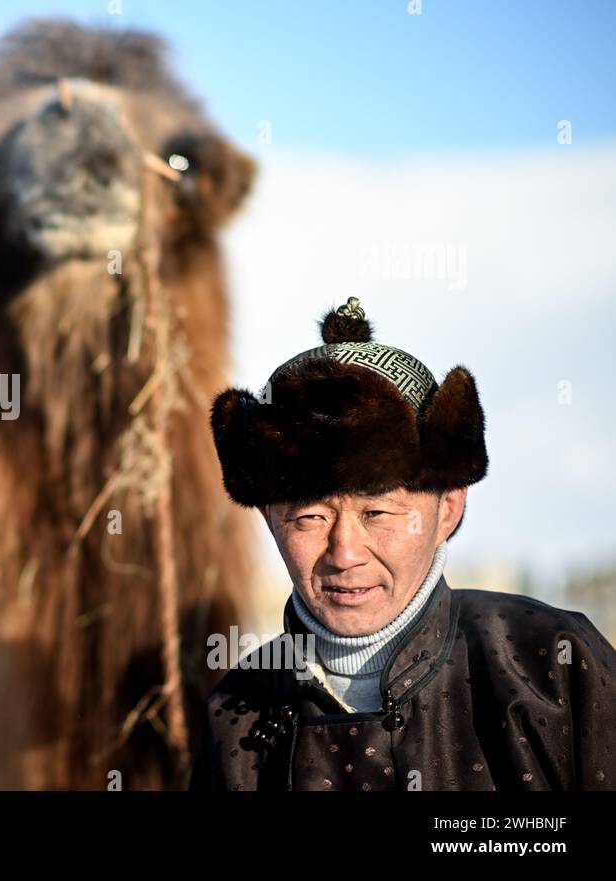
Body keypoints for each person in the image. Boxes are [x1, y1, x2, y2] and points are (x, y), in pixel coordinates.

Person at [191, 297, 616, 790]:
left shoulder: (551, 666)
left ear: (448, 510)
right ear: (270, 520)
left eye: (378, 513)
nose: (345, 553)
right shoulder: (235, 717)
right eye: (309, 517)